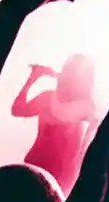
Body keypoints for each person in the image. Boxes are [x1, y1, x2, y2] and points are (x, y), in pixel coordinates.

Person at [11, 54, 98, 190]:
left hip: (59, 175)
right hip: (38, 168)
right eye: (66, 70)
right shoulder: (49, 98)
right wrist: (32, 79)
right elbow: (17, 110)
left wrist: (32, 78)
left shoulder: (86, 108)